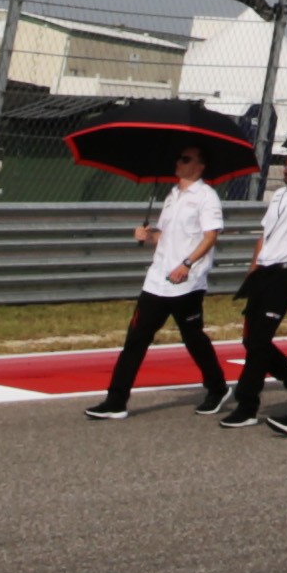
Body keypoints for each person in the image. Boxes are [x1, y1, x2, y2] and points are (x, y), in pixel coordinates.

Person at [88, 145, 232, 418]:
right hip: (157, 280)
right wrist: (146, 235)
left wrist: (187, 264)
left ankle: (217, 387)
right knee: (136, 339)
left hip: (186, 281)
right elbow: (162, 238)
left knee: (193, 338)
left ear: (200, 166)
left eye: (186, 158)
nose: (178, 161)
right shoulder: (171, 195)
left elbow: (211, 236)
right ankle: (116, 400)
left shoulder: (206, 196)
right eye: (178, 157)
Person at [217, 148, 287, 427]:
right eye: (285, 167)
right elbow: (265, 234)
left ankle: (248, 405)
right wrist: (253, 268)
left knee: (260, 340)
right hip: (264, 272)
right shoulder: (277, 195)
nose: (286, 171)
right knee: (251, 339)